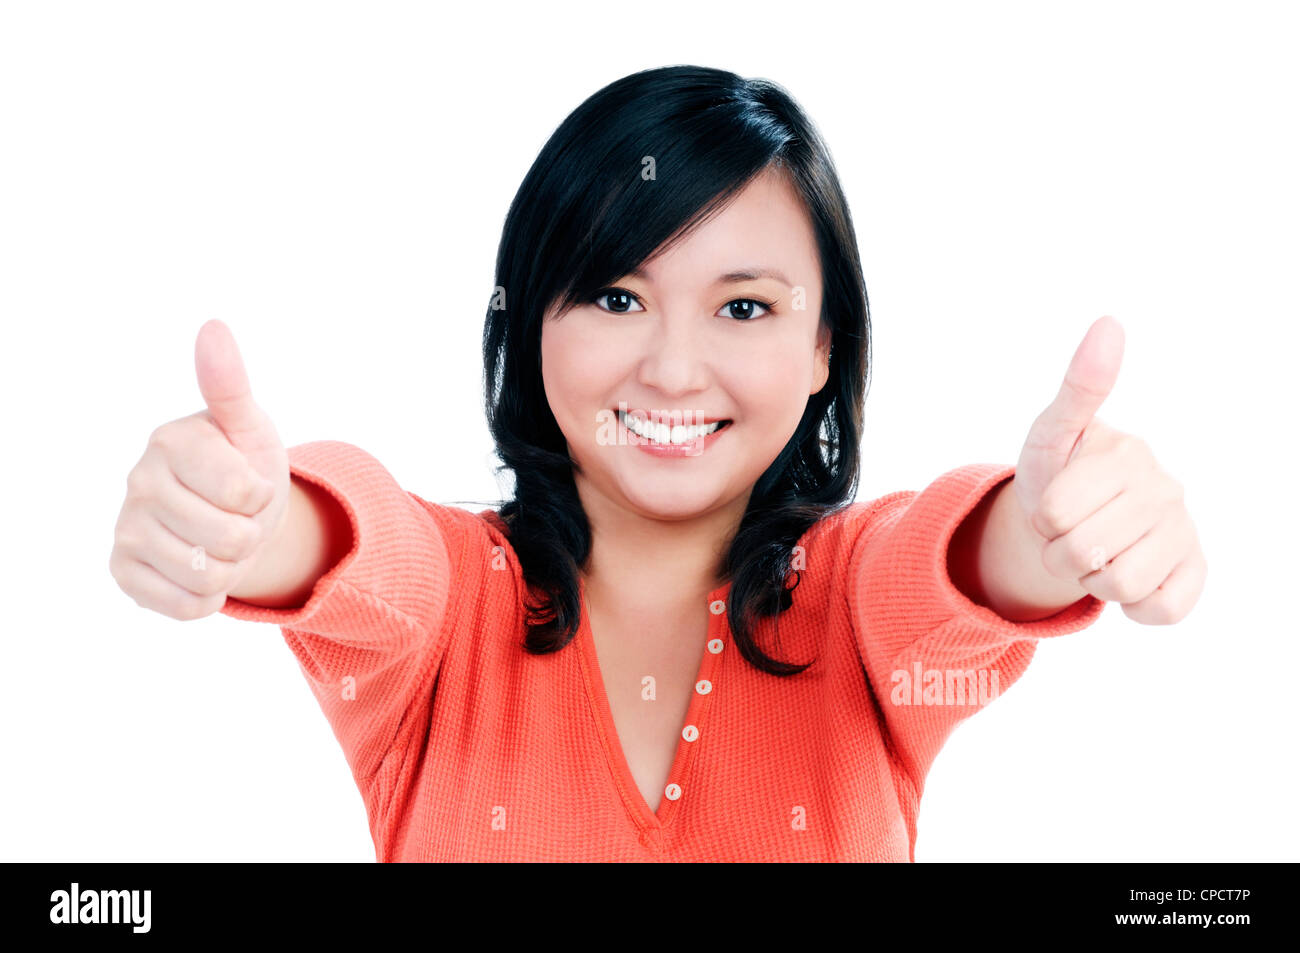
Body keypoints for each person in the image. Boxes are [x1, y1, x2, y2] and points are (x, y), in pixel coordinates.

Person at [109, 65, 1206, 861]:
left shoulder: (854, 606)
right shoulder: (449, 614)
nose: (675, 369)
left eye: (743, 306)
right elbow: (359, 545)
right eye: (615, 296)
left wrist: (1060, 524)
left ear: (825, 346)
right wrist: (247, 522)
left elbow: (962, 569)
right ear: (532, 318)